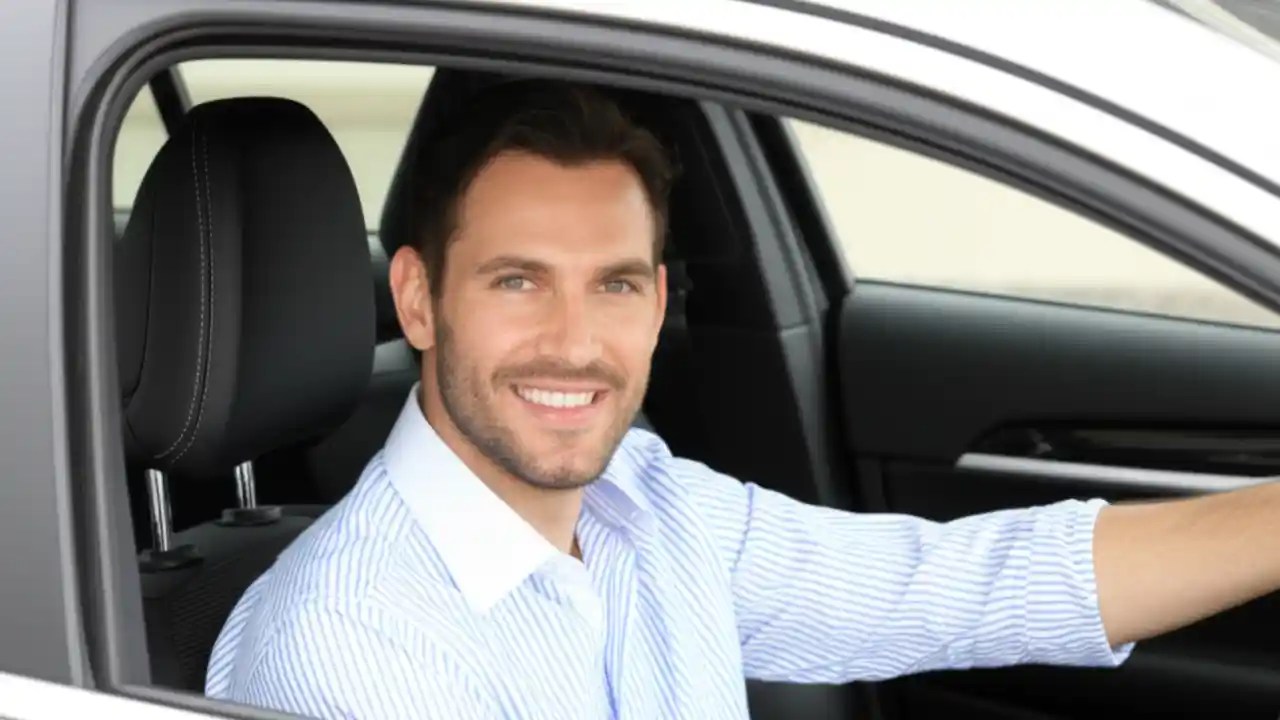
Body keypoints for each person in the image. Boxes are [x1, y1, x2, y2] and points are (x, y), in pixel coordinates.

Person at [205, 80, 1280, 719]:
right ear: (419, 299)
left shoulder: (647, 506)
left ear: (658, 298)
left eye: (614, 283)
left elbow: (956, 586)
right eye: (518, 280)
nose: (576, 343)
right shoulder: (344, 650)